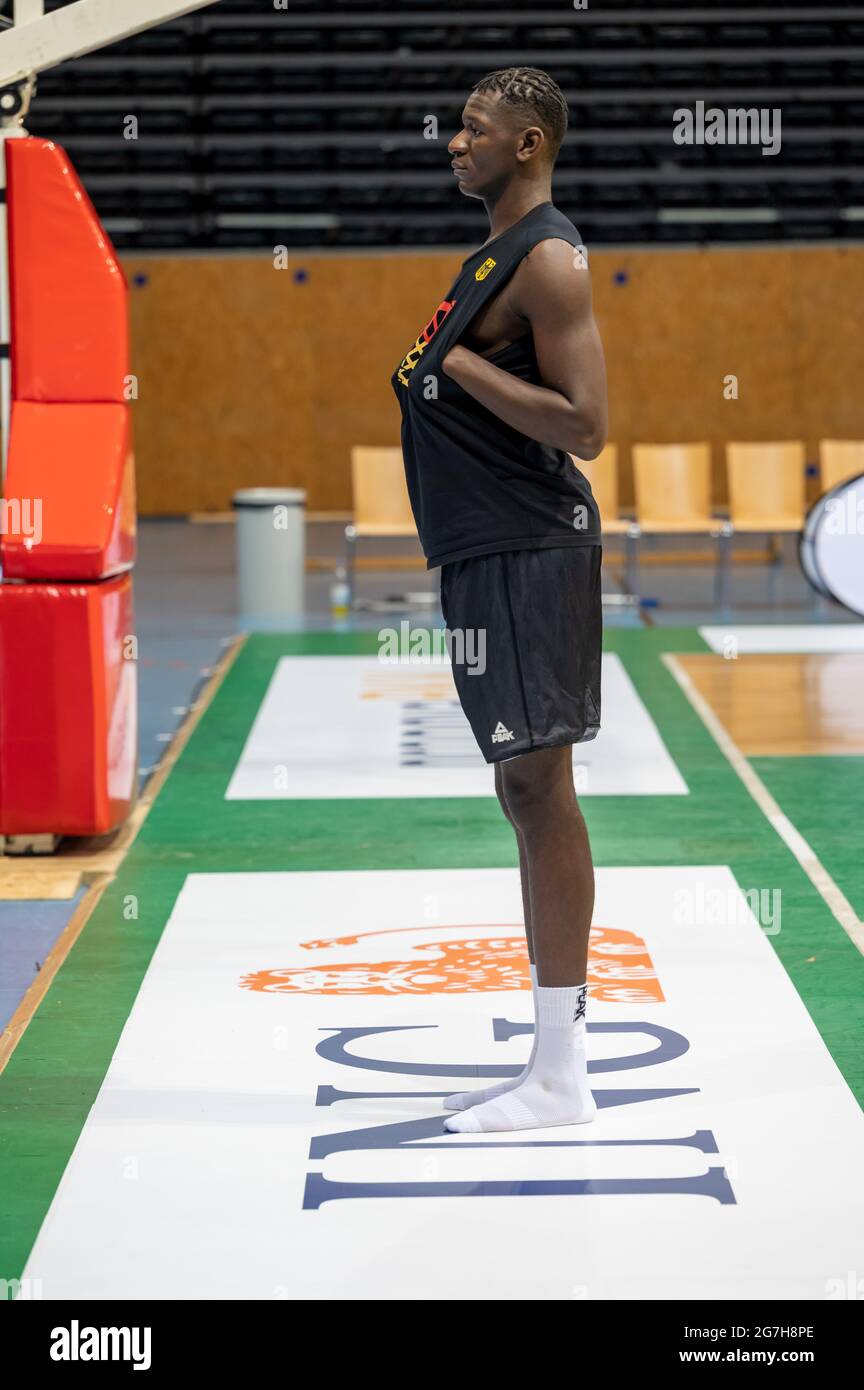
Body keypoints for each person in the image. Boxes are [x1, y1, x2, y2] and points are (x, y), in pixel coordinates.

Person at [390, 67, 608, 1133]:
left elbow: (584, 424)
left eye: (473, 129)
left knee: (539, 790)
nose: (453, 142)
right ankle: (548, 1059)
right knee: (523, 791)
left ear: (529, 143)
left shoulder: (551, 259)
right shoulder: (494, 255)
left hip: (532, 548)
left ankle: (561, 1074)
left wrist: (461, 370)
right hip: (488, 554)